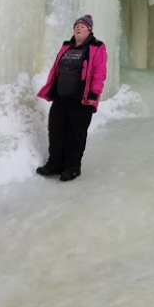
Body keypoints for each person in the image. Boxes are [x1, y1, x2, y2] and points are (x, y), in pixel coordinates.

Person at [36, 15, 107, 182]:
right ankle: (54, 164)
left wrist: (93, 94)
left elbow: (99, 73)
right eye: (76, 25)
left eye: (82, 25)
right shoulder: (66, 46)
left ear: (89, 30)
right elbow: (56, 69)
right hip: (61, 97)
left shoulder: (97, 47)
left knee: (76, 135)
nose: (78, 27)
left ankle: (72, 167)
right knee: (56, 131)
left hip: (81, 100)